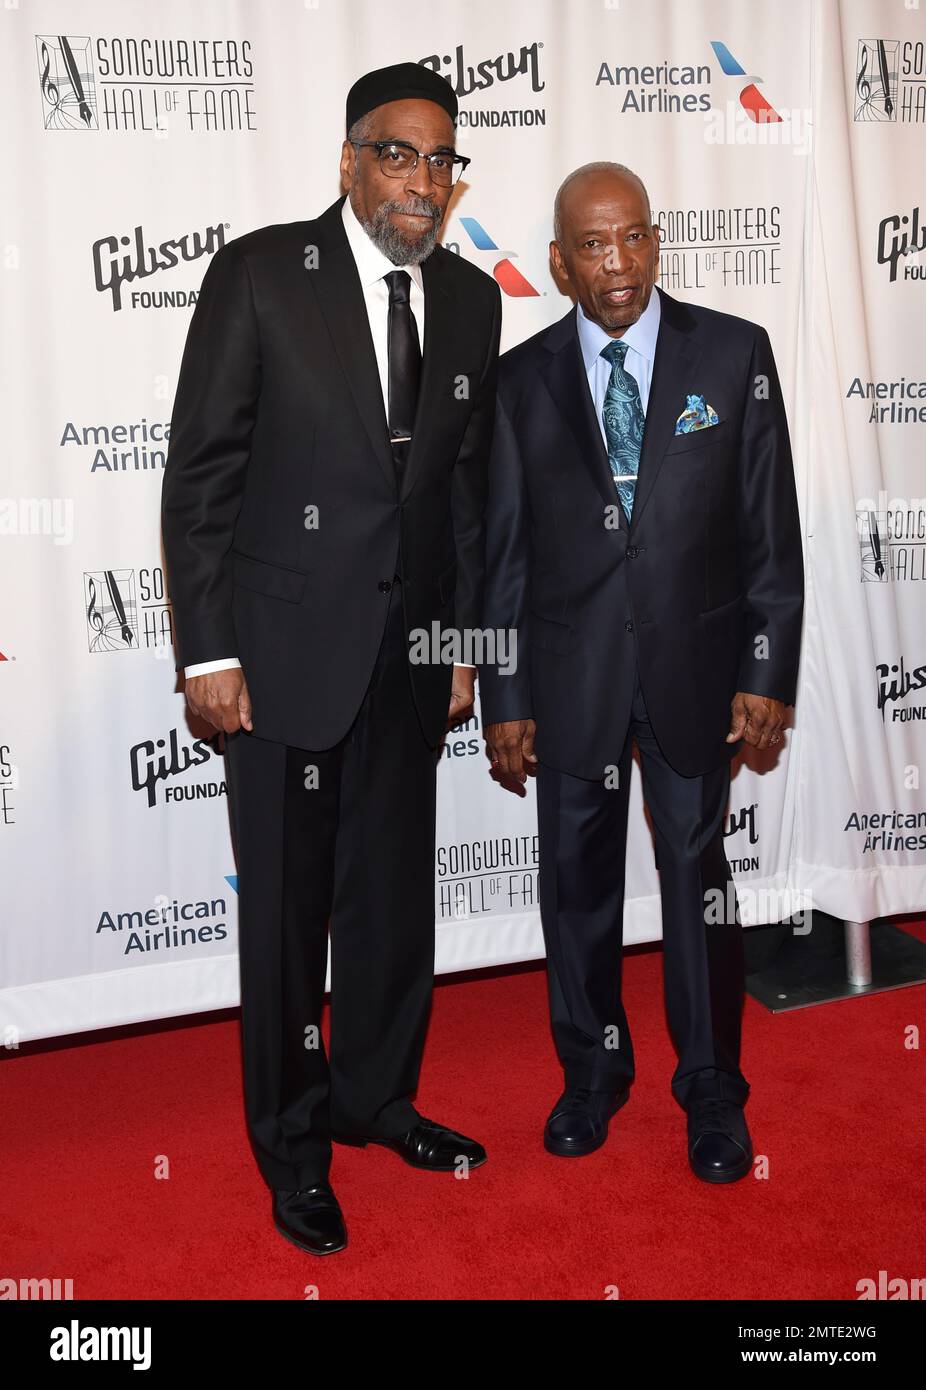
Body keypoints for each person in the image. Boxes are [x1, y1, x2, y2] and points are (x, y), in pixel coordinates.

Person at [161, 62, 502, 1254]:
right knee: (290, 919)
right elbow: (199, 476)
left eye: (441, 160)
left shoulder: (468, 300)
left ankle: (376, 1099)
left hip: (409, 659)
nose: (421, 179)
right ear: (349, 162)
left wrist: (460, 646)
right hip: (281, 660)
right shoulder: (260, 274)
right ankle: (292, 1144)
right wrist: (207, 649)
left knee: (389, 905)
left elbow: (462, 493)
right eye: (398, 153)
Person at [479, 162, 803, 1183]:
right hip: (567, 677)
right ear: (558, 262)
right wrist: (502, 693)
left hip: (696, 672)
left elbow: (768, 532)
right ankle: (592, 1072)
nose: (613, 263)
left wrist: (765, 667)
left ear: (655, 242)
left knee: (693, 881)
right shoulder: (517, 381)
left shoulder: (732, 355)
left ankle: (709, 1085)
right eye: (590, 244)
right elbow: (500, 554)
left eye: (629, 239)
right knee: (574, 889)